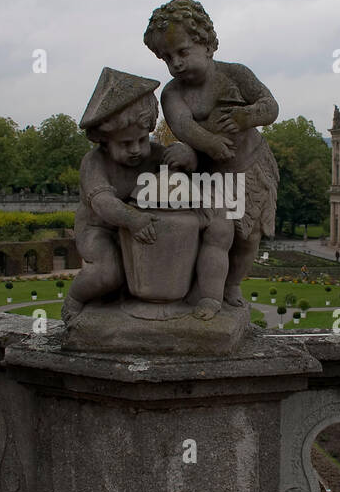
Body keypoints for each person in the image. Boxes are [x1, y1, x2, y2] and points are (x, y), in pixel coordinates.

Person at [146, 0, 279, 310]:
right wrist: (208, 142)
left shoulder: (236, 74)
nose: (175, 63)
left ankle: (232, 286)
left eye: (182, 51)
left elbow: (270, 106)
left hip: (251, 168)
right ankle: (207, 294)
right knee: (218, 235)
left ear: (206, 44)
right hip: (212, 175)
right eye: (166, 58)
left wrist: (246, 117)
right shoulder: (173, 93)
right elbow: (181, 125)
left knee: (248, 240)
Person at [62, 70, 226, 322]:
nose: (137, 149)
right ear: (104, 141)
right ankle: (75, 299)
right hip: (101, 230)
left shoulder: (152, 154)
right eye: (125, 144)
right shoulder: (95, 162)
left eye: (142, 139)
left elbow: (184, 169)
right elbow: (102, 203)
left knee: (215, 226)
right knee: (107, 273)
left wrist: (187, 155)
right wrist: (133, 219)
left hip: (142, 228)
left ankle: (207, 296)